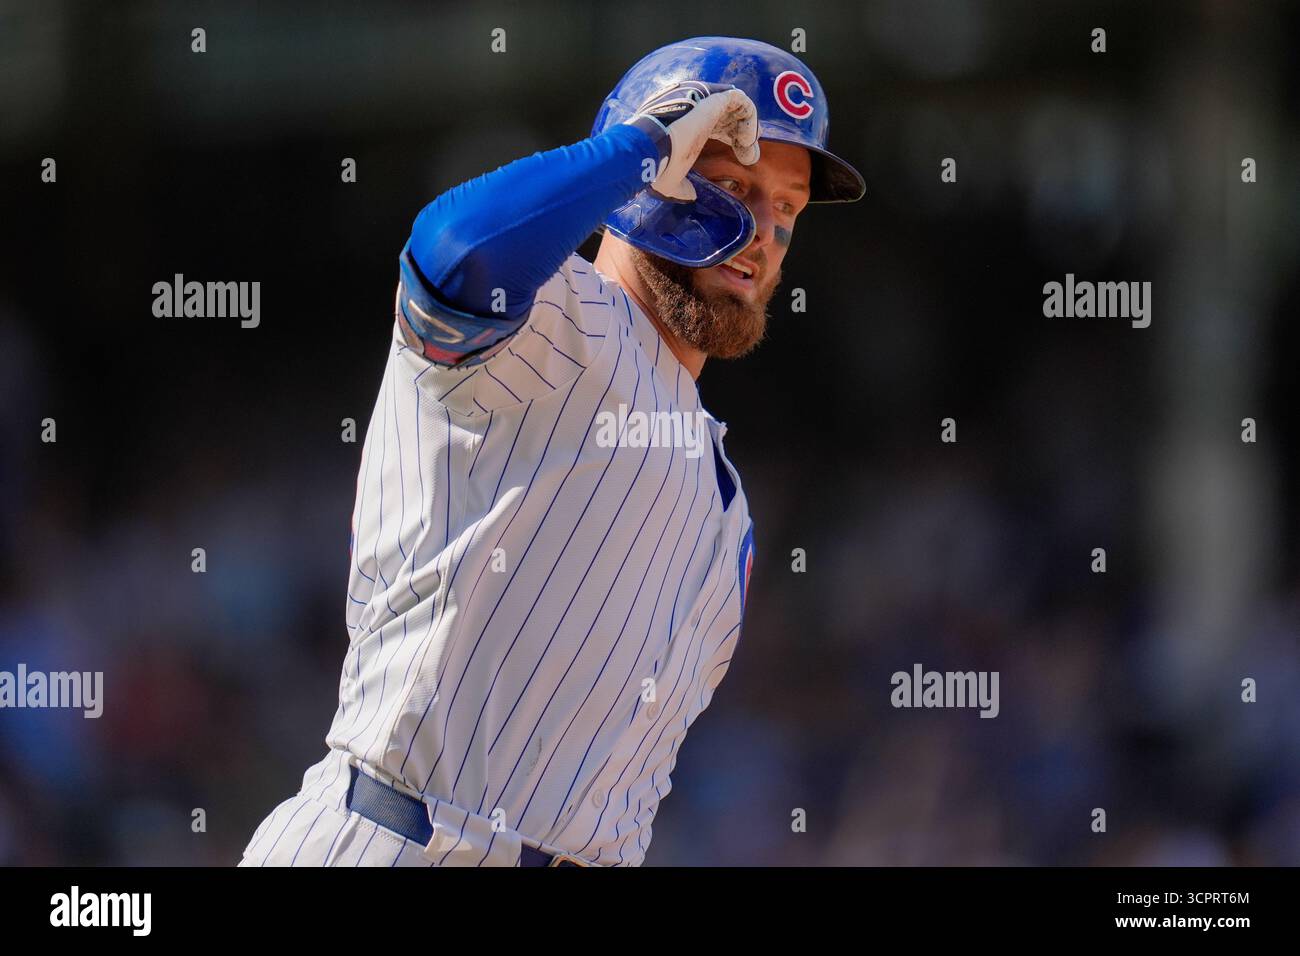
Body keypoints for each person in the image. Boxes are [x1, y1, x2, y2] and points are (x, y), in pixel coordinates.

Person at [240, 35, 862, 867]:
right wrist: (638, 148)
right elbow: (450, 253)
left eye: (786, 209)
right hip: (393, 840)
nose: (762, 232)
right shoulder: (561, 316)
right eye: (735, 186)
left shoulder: (727, 508)